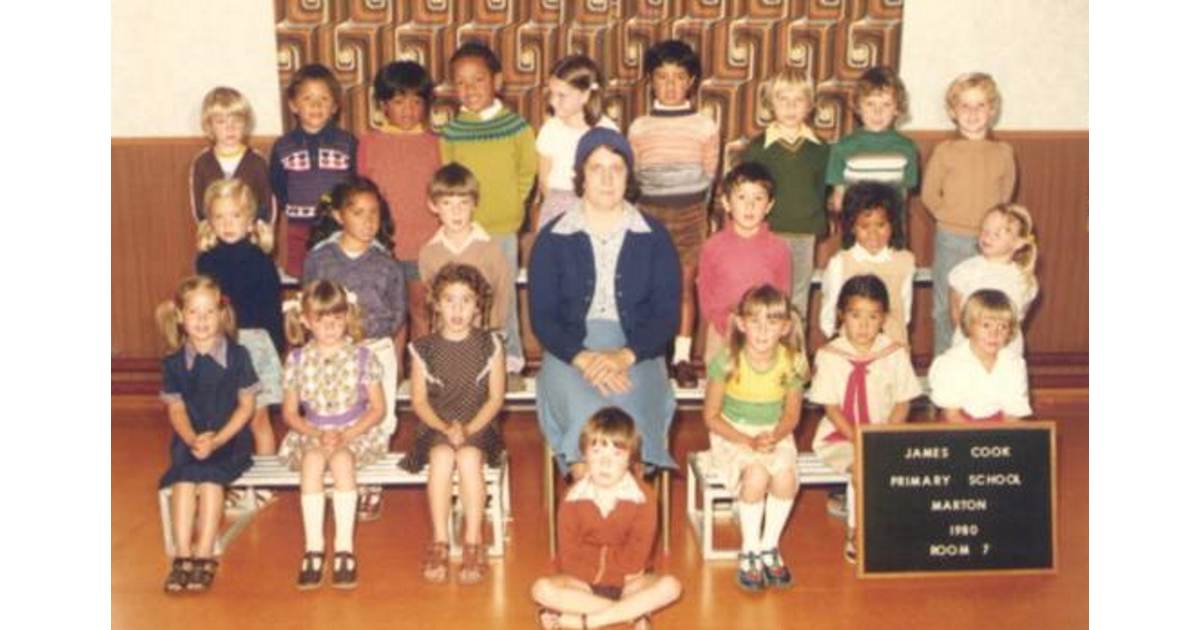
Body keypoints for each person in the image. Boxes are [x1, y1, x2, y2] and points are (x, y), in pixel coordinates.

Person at [529, 127, 681, 478]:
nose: (607, 178)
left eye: (617, 168)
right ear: (581, 175)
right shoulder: (552, 238)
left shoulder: (654, 236)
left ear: (629, 176)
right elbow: (544, 318)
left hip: (636, 351)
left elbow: (665, 316)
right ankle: (594, 524)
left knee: (629, 420)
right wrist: (584, 358)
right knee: (588, 422)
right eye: (597, 168)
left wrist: (624, 356)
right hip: (571, 352)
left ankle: (626, 524)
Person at [304, 177, 405, 521]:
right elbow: (311, 304)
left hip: (376, 348)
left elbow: (398, 313)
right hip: (335, 351)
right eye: (358, 213)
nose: (368, 221)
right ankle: (341, 475)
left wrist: (385, 347)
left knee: (380, 416)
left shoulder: (386, 262)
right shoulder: (320, 259)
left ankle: (372, 485)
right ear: (337, 215)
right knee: (341, 412)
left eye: (374, 213)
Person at [277, 280, 386, 590]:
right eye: (322, 321)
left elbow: (377, 408)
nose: (330, 328)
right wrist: (315, 432)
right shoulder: (297, 360)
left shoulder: (362, 357)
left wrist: (347, 433)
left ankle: (343, 547)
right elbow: (289, 413)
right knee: (312, 463)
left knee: (341, 464)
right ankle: (313, 548)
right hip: (312, 431)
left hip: (353, 433)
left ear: (347, 318)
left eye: (337, 320)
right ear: (306, 321)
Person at [531, 407, 682, 630]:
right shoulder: (572, 499)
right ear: (584, 455)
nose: (605, 463)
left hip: (630, 580)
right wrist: (599, 583)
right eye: (597, 453)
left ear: (630, 458)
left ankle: (586, 621)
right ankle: (632, 613)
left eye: (616, 454)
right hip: (582, 582)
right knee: (540, 589)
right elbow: (570, 558)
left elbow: (636, 558)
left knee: (672, 586)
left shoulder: (643, 498)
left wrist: (617, 581)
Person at [440, 41, 536, 386]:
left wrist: (513, 203)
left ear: (496, 81)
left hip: (502, 230)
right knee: (465, 298)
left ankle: (508, 366)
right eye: (461, 83)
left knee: (501, 298)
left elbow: (527, 172)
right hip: (462, 232)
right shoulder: (452, 131)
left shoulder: (517, 128)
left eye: (477, 80)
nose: (469, 90)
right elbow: (447, 177)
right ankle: (471, 366)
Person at [154, 275, 258, 593]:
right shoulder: (172, 363)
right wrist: (191, 439)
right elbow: (177, 410)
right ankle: (182, 555)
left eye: (209, 312)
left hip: (230, 440)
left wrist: (219, 439)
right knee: (183, 479)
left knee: (210, 480)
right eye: (194, 312)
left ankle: (204, 554)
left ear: (222, 314)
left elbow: (246, 407)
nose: (201, 320)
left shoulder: (238, 356)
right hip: (190, 440)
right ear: (181, 316)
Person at [808, 274, 922, 563]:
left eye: (873, 317)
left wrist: (884, 437)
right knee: (863, 467)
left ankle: (897, 527)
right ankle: (858, 532)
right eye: (855, 315)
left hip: (886, 433)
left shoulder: (894, 353)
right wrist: (860, 438)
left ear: (884, 318)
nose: (863, 325)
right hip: (841, 435)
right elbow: (831, 409)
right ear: (841, 315)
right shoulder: (829, 355)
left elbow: (903, 401)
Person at [702, 285, 809, 591]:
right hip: (731, 433)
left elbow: (791, 416)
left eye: (772, 321)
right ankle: (749, 548)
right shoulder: (727, 361)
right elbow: (711, 417)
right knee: (757, 475)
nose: (763, 330)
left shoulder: (793, 362)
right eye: (755, 320)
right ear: (741, 323)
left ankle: (769, 546)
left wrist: (773, 436)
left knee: (785, 479)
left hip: (774, 432)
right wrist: (747, 441)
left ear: (785, 327)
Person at [404, 263, 505, 585]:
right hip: (437, 425)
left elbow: (495, 398)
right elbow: (419, 401)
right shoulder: (424, 349)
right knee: (442, 457)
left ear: (478, 305)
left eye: (466, 300)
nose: (458, 309)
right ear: (436, 303)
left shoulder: (491, 345)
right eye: (449, 300)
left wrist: (470, 429)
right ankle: (440, 540)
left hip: (480, 425)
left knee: (468, 457)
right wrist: (447, 429)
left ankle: (473, 541)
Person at [627, 39, 720, 388]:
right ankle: (653, 355)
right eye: (661, 77)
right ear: (650, 80)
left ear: (691, 81)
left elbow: (710, 175)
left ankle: (681, 358)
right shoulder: (639, 127)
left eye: (678, 77)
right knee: (649, 290)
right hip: (648, 215)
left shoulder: (705, 126)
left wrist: (703, 212)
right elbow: (632, 178)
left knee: (683, 288)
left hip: (690, 214)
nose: (670, 86)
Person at [922, 72, 1017, 354]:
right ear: (953, 111)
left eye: (980, 105)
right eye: (965, 106)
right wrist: (949, 216)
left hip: (989, 245)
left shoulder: (1003, 152)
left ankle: (984, 368)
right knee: (945, 306)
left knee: (986, 307)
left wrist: (993, 232)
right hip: (950, 238)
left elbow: (1005, 198)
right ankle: (945, 366)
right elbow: (929, 194)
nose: (973, 113)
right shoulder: (945, 151)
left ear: (992, 109)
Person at [195, 179, 283, 478]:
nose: (227, 224)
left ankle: (267, 481)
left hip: (255, 346)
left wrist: (278, 348)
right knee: (225, 420)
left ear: (250, 221)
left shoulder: (260, 260)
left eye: (234, 216)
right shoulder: (206, 260)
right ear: (209, 221)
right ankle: (231, 479)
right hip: (220, 347)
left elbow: (271, 312)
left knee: (258, 418)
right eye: (219, 217)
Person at [358, 60, 442, 349]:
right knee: (390, 318)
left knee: (423, 312)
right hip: (382, 247)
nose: (408, 110)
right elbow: (360, 196)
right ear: (383, 104)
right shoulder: (369, 144)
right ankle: (391, 384)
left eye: (417, 101)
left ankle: (424, 377)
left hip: (424, 247)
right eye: (398, 101)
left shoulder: (437, 144)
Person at [738, 68, 830, 322]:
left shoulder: (820, 150)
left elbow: (822, 190)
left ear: (810, 105)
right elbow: (746, 193)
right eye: (782, 99)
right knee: (766, 293)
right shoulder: (758, 149)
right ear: (770, 104)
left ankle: (794, 351)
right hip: (769, 231)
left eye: (798, 100)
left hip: (804, 232)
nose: (790, 107)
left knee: (798, 294)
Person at [418, 163, 519, 390]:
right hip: (446, 344)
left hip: (484, 343)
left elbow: (504, 297)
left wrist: (493, 341)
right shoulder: (429, 253)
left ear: (475, 204)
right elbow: (432, 303)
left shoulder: (491, 250)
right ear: (433, 206)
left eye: (463, 203)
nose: (456, 212)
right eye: (447, 203)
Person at [696, 162, 791, 363]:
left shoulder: (779, 248)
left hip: (763, 332)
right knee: (718, 383)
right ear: (727, 203)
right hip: (722, 330)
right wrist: (719, 322)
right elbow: (705, 291)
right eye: (741, 197)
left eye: (758, 198)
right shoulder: (713, 246)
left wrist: (768, 326)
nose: (750, 206)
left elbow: (783, 294)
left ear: (769, 205)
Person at [270, 63, 358, 277]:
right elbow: (278, 185)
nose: (316, 105)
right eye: (308, 99)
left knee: (338, 276)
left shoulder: (347, 143)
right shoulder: (283, 145)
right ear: (293, 105)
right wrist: (294, 205)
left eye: (324, 99)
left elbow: (353, 183)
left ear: (335, 106)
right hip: (299, 226)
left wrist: (333, 207)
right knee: (305, 278)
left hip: (337, 226)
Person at [825, 66, 918, 243]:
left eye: (886, 104)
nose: (878, 112)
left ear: (897, 108)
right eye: (870, 104)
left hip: (890, 233)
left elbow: (903, 200)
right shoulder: (843, 147)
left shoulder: (907, 148)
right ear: (858, 106)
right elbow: (839, 200)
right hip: (856, 232)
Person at [818, 182, 915, 346]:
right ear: (852, 227)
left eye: (881, 225)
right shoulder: (840, 263)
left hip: (893, 346)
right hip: (851, 348)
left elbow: (905, 312)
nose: (873, 233)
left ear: (893, 224)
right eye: (864, 226)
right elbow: (829, 313)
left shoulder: (905, 261)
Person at [535, 55, 619, 230]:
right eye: (551, 93)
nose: (552, 101)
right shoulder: (550, 130)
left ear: (585, 95)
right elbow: (544, 181)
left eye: (561, 95)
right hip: (557, 208)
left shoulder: (607, 131)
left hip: (596, 207)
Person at [929, 289, 1032, 423]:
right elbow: (952, 415)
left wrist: (1001, 439)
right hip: (958, 426)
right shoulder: (949, 363)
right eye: (986, 325)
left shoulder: (1014, 363)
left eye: (1003, 327)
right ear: (969, 325)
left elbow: (1013, 414)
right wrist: (976, 439)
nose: (994, 334)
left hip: (999, 427)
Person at [948, 203, 1038, 354]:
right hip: (968, 349)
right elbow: (956, 313)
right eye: (984, 230)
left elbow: (1019, 319)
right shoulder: (964, 271)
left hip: (1007, 353)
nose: (987, 237)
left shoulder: (1024, 280)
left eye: (997, 234)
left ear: (1018, 243)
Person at [189, 87, 274, 226]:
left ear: (246, 123)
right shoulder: (202, 162)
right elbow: (199, 209)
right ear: (209, 125)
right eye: (221, 122)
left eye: (237, 121)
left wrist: (258, 234)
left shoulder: (257, 162)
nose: (230, 128)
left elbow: (267, 206)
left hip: (251, 241)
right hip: (215, 241)